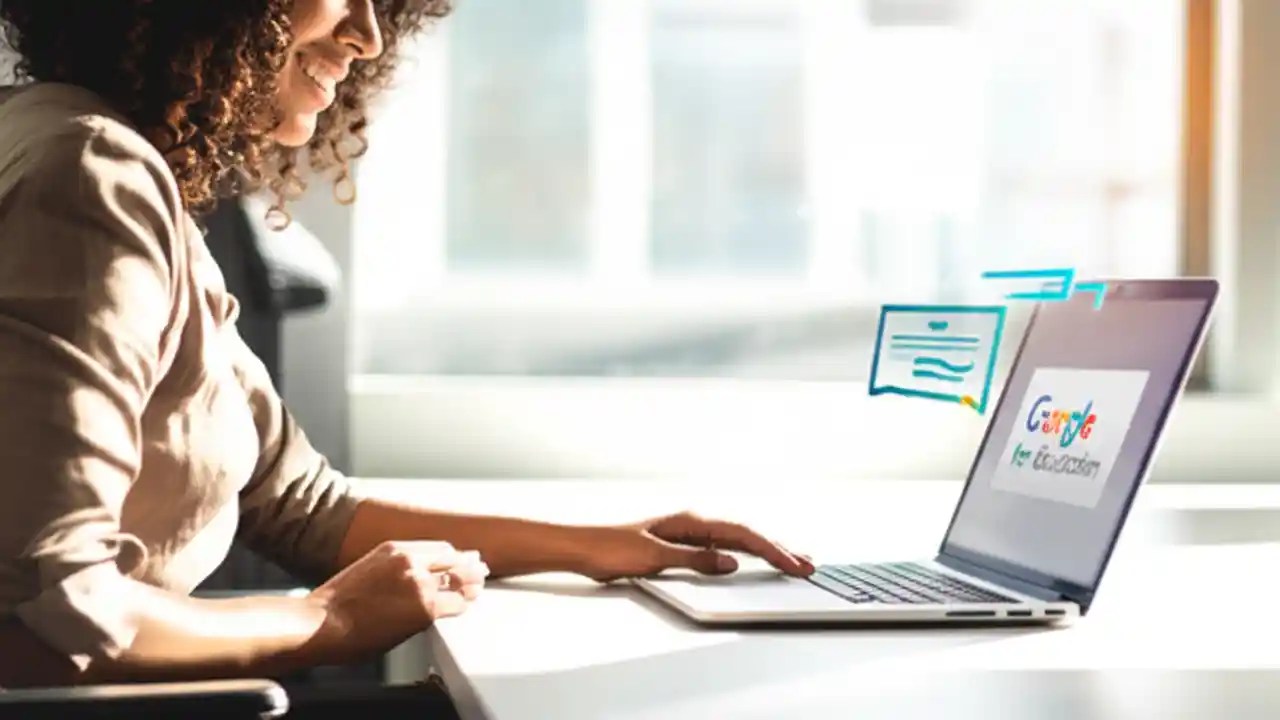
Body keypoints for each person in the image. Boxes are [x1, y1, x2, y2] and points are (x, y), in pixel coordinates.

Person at [0, 0, 814, 714]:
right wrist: (330, 621)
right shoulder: (90, 178)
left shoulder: (109, 163)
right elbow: (59, 603)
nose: (368, 33)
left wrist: (602, 544)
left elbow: (302, 508)